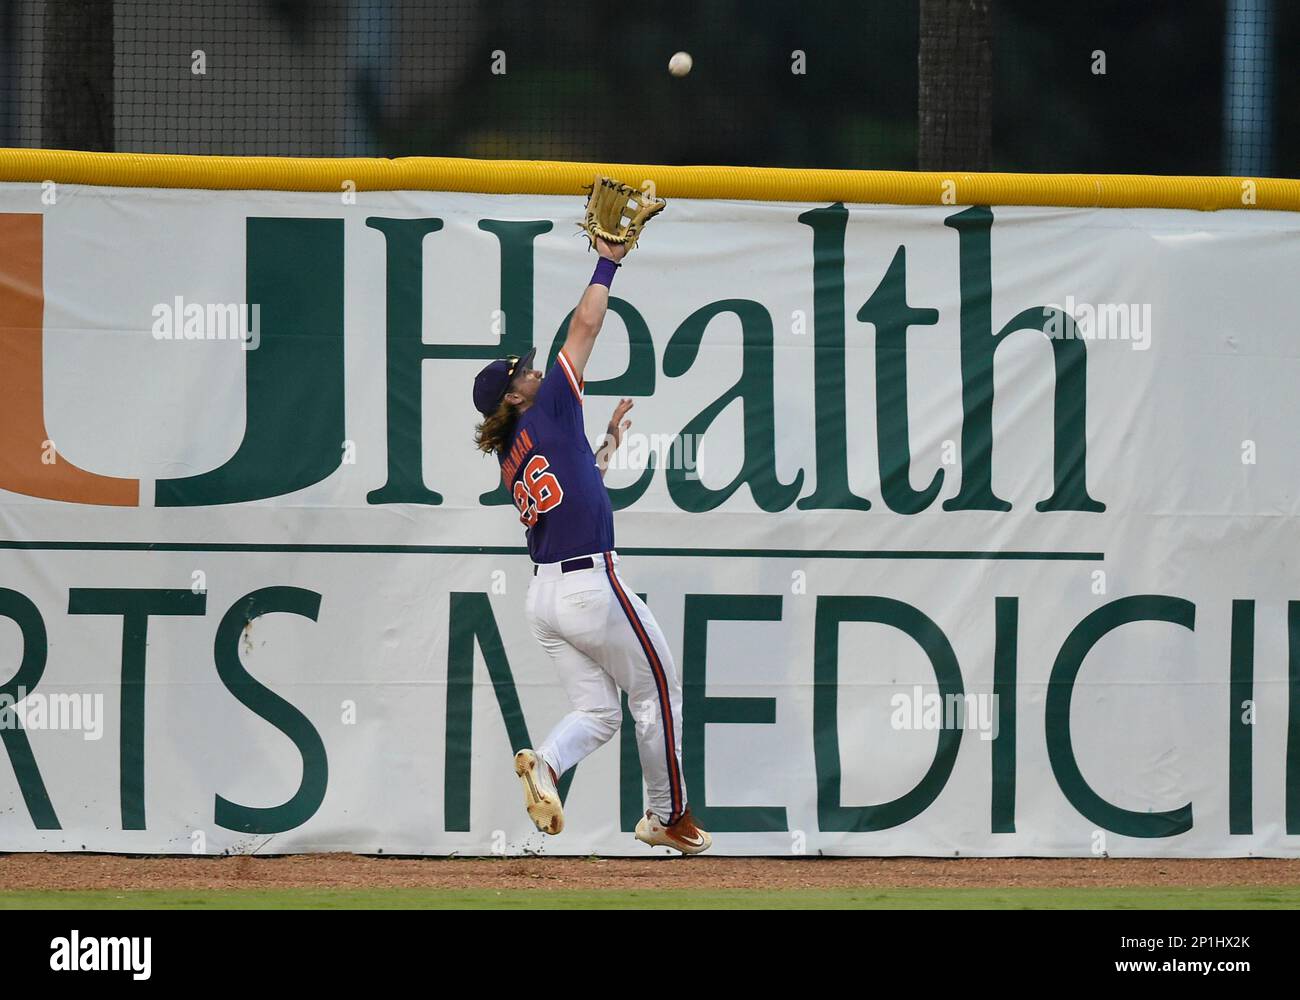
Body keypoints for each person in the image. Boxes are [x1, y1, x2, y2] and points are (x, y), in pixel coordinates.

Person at [471, 237, 710, 855]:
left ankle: (546, 766)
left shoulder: (511, 448)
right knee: (658, 690)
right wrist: (608, 260)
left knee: (600, 713)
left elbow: (572, 488)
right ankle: (668, 814)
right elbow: (585, 324)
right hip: (587, 585)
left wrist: (602, 448)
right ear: (516, 395)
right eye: (522, 371)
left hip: (546, 599)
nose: (534, 369)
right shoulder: (546, 402)